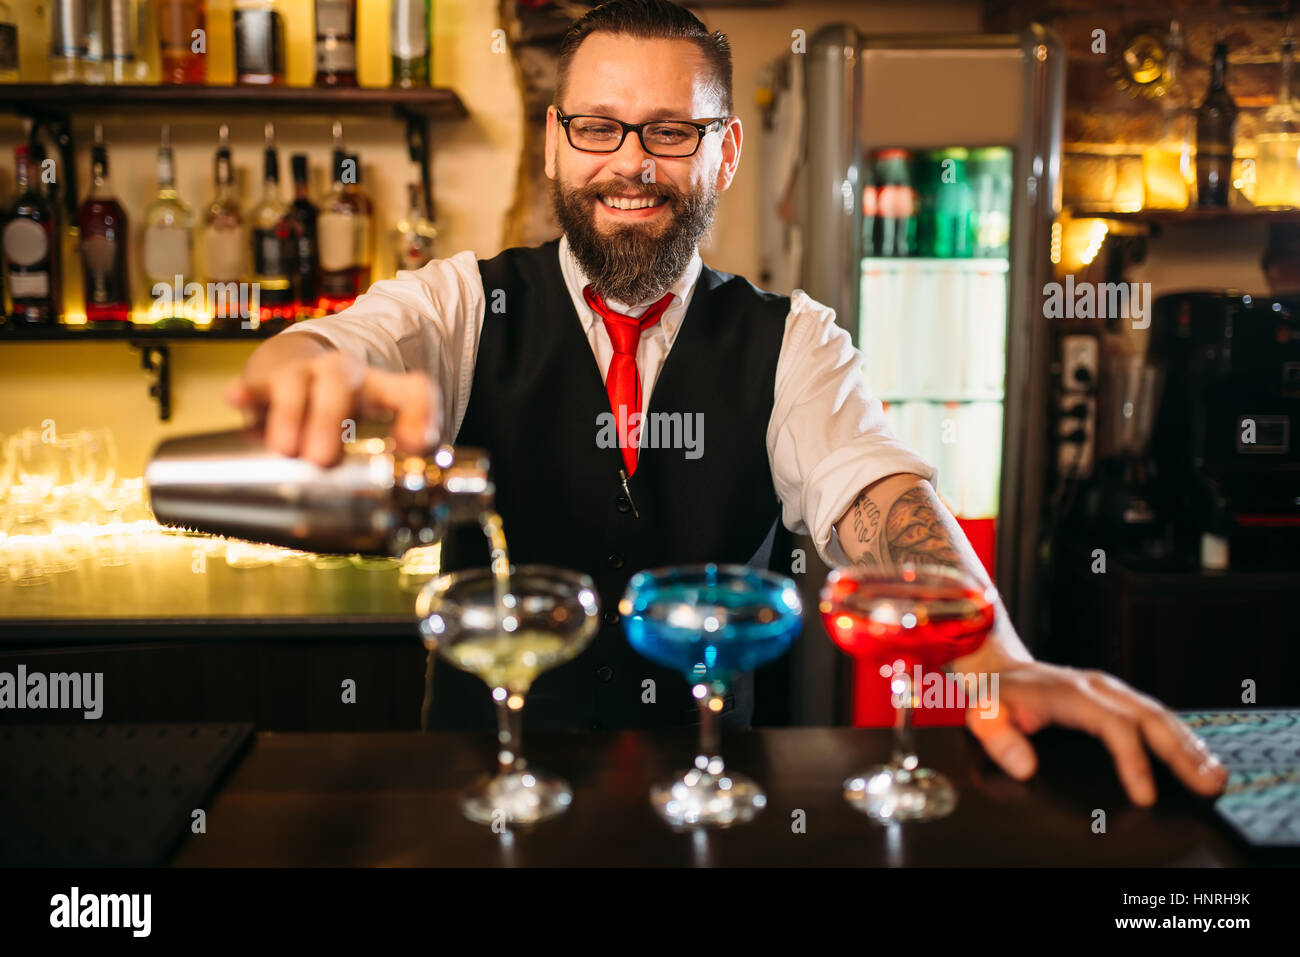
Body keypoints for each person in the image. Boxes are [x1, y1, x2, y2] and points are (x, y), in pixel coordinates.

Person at [230, 0, 1226, 806]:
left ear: (726, 152)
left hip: (709, 804)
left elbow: (872, 492)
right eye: (598, 127)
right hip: (482, 797)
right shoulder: (458, 302)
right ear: (553, 143)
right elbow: (344, 344)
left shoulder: (792, 340)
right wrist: (303, 366)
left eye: (671, 130)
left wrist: (993, 657)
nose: (631, 162)